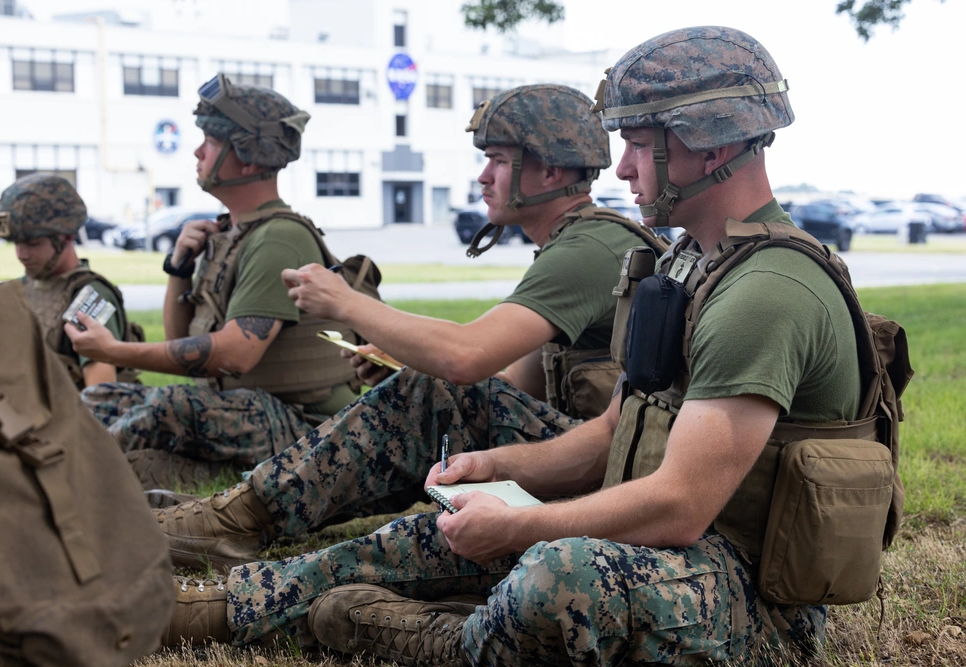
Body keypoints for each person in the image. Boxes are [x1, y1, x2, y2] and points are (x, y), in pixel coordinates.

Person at [158, 27, 899, 664]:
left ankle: (452, 639)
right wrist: (499, 469)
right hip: (670, 551)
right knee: (448, 529)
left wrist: (520, 524)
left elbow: (679, 506)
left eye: (639, 144)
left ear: (714, 145)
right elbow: (610, 434)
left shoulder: (768, 291)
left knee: (560, 574)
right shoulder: (688, 265)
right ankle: (212, 608)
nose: (623, 167)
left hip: (752, 596)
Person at [151, 83, 667, 571]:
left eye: (497, 160)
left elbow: (467, 358)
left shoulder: (588, 248)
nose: (483, 176)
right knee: (431, 389)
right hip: (600, 460)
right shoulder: (581, 243)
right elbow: (514, 386)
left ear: (551, 172)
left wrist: (346, 303)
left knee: (436, 388)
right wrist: (404, 364)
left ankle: (239, 519)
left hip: (614, 478)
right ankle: (245, 512)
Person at [66, 74, 364, 485]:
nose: (197, 151)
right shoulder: (231, 233)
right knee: (100, 398)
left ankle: (73, 481)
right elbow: (183, 344)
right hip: (246, 410)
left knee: (168, 407)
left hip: (309, 429)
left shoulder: (278, 238)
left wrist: (114, 351)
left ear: (249, 158)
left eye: (210, 141)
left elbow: (233, 356)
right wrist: (179, 270)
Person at [0, 173, 138, 389]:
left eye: (33, 243)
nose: (21, 254)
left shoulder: (90, 296)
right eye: (16, 243)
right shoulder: (15, 291)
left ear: (67, 237)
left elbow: (100, 394)